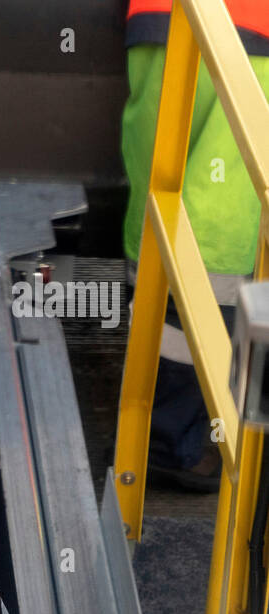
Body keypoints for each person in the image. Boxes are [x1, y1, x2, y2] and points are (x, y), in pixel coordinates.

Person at [121, 0, 269, 491]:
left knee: (165, 197)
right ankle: (171, 441)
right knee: (217, 231)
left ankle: (156, 432)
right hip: (255, 41)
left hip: (164, 22)